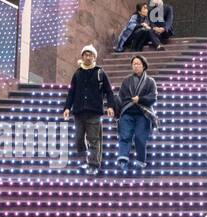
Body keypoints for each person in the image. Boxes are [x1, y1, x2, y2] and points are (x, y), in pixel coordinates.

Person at [61, 44, 117, 174]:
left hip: (94, 112)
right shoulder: (77, 73)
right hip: (79, 111)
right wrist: (67, 107)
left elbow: (109, 91)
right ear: (82, 56)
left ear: (94, 57)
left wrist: (110, 106)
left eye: (90, 55)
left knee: (93, 139)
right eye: (85, 54)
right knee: (79, 138)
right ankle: (84, 160)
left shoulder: (100, 73)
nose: (87, 57)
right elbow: (72, 92)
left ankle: (94, 164)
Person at [115, 55, 158, 171]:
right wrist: (116, 112)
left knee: (140, 137)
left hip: (143, 113)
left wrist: (140, 99)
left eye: (138, 63)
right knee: (125, 135)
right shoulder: (126, 81)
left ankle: (140, 160)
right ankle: (123, 159)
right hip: (128, 112)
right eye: (134, 64)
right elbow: (121, 97)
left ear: (143, 66)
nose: (136, 66)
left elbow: (153, 98)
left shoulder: (150, 82)